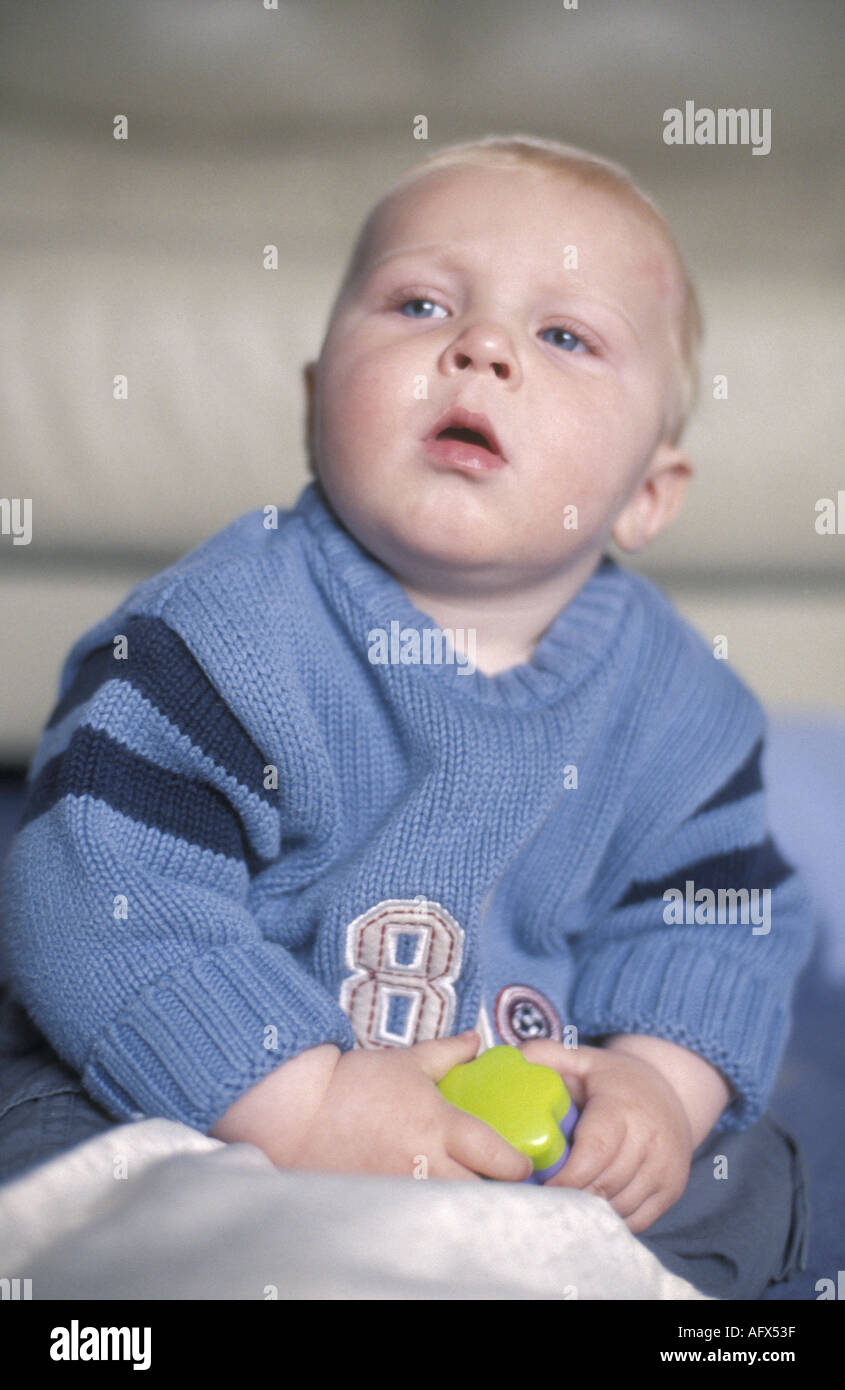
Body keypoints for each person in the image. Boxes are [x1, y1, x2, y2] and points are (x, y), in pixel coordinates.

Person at [0, 135, 812, 1298]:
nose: (477, 348)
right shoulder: (218, 638)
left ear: (644, 494)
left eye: (564, 335)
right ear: (316, 396)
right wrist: (305, 1102)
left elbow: (713, 918)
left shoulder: (681, 706)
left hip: (521, 1141)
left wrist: (652, 1089)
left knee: (748, 1174)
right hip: (216, 1097)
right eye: (420, 303)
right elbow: (97, 897)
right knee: (62, 1137)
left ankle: (532, 1260)